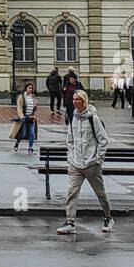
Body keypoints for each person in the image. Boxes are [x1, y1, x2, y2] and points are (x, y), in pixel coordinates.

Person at [57, 89, 114, 236]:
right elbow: (70, 139)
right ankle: (70, 222)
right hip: (76, 163)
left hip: (91, 164)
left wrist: (98, 159)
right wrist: (71, 155)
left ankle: (108, 217)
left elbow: (104, 140)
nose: (74, 102)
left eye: (78, 100)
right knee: (72, 192)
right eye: (74, 99)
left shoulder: (93, 119)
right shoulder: (73, 117)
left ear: (84, 101)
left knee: (100, 193)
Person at [15, 80, 38, 154]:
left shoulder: (33, 97)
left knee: (32, 133)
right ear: (26, 88)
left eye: (31, 88)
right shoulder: (22, 96)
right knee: (23, 133)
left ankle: (30, 148)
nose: (30, 89)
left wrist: (35, 106)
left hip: (31, 118)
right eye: (29, 88)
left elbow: (34, 109)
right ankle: (17, 143)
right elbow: (19, 107)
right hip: (24, 118)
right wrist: (21, 116)